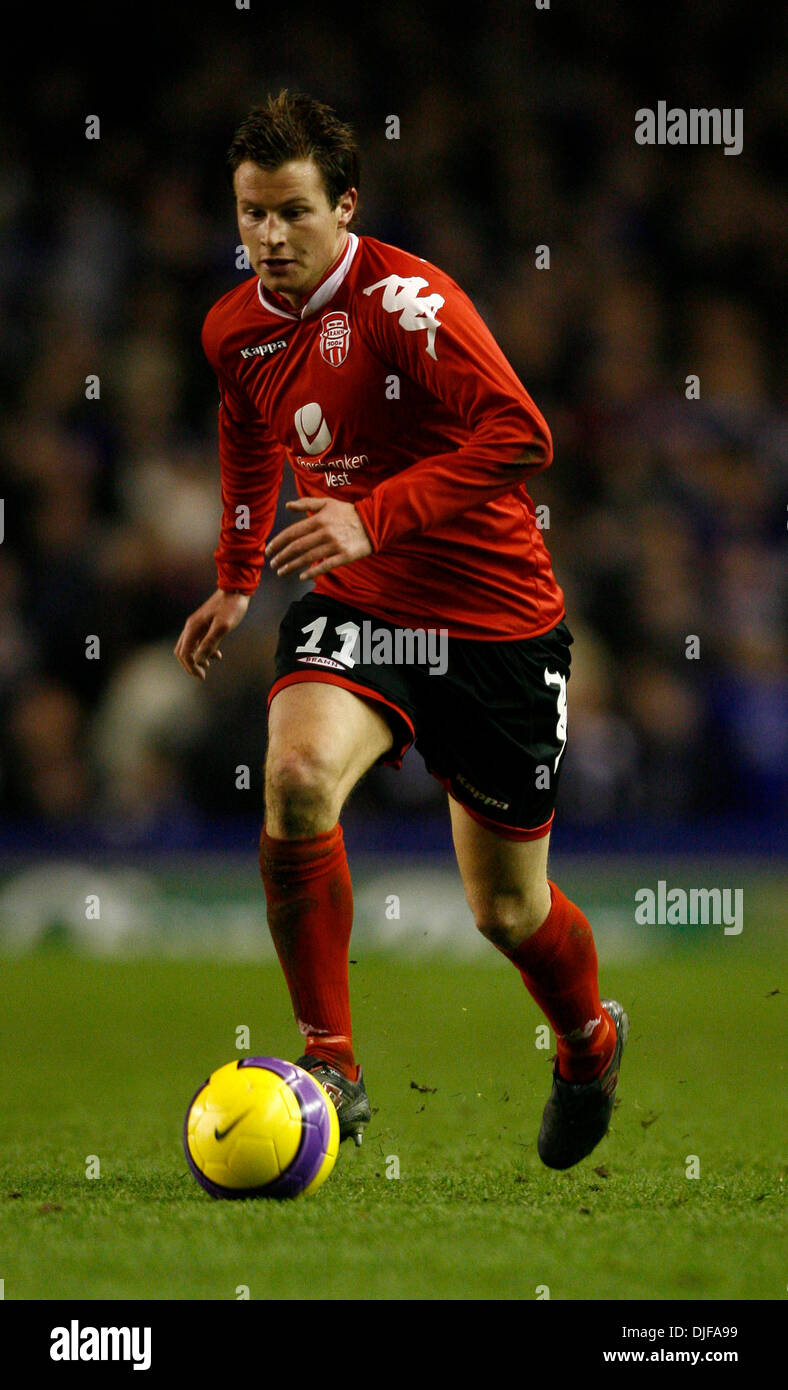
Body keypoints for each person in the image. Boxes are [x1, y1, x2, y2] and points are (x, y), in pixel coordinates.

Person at [174, 90, 628, 1169]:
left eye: (289, 213)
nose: (268, 238)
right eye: (249, 214)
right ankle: (330, 1059)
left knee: (506, 911)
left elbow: (521, 432)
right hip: (358, 605)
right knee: (292, 778)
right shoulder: (232, 327)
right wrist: (237, 577)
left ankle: (588, 1041)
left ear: (345, 208)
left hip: (494, 629)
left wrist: (371, 514)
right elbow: (249, 435)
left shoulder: (407, 301)